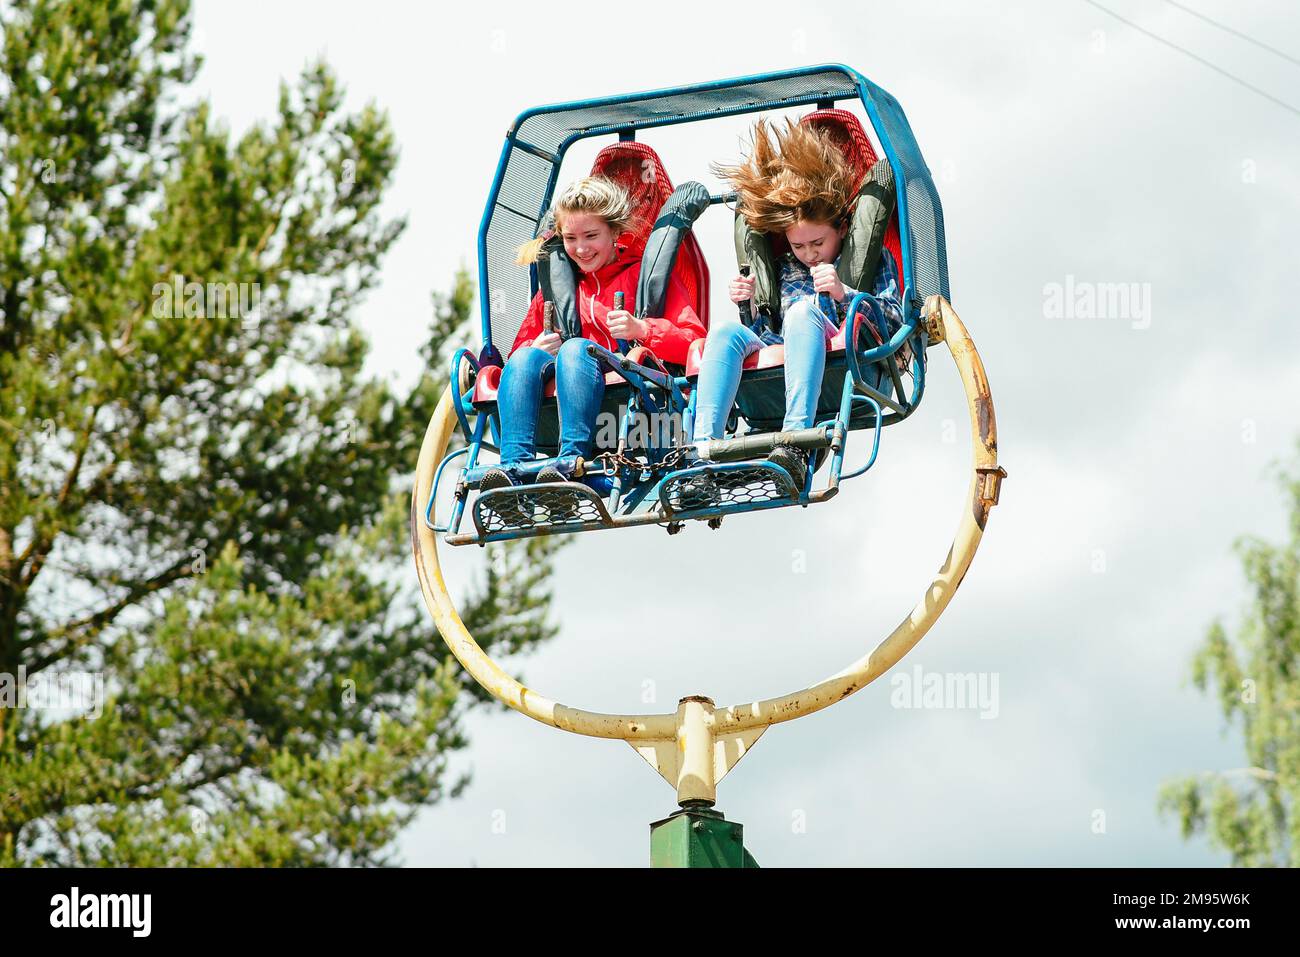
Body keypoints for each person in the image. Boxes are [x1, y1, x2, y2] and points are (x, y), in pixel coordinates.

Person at [689, 119, 902, 490]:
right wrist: (748, 305)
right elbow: (767, 336)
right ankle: (702, 451)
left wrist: (843, 294)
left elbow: (894, 316)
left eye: (818, 243)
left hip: (849, 352)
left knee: (805, 312)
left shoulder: (873, 261)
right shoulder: (788, 268)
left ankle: (795, 440)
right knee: (724, 333)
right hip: (785, 349)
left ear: (841, 229)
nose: (808, 254)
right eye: (798, 246)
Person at [481, 176, 705, 492]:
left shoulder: (642, 276)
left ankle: (572, 463)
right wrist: (538, 346)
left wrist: (643, 329)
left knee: (575, 350)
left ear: (615, 233)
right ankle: (513, 470)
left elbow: (694, 342)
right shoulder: (559, 293)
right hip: (564, 404)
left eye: (591, 236)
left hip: (637, 403)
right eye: (571, 238)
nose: (582, 249)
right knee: (524, 358)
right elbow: (521, 357)